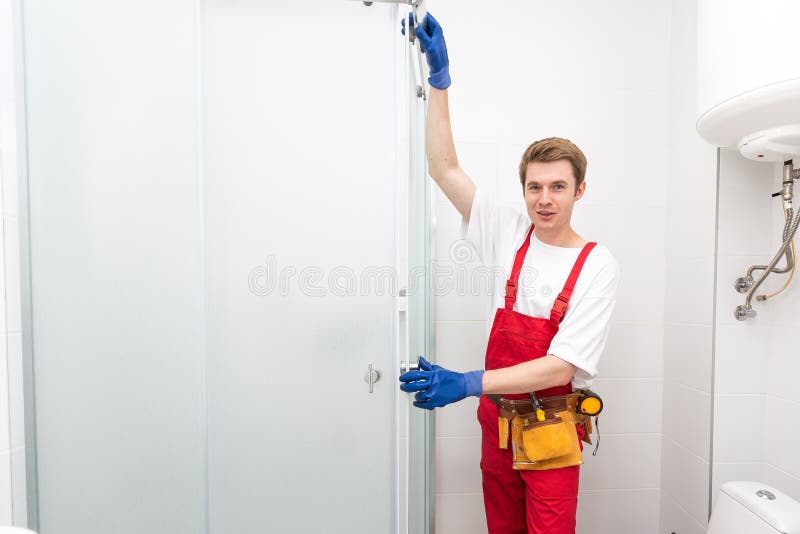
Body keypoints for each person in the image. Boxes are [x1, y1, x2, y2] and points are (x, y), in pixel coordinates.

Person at [398, 12, 620, 534]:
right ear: (524, 190)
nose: (545, 199)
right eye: (534, 187)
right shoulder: (507, 232)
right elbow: (443, 168)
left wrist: (468, 382)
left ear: (579, 190)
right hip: (496, 423)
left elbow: (560, 367)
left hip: (552, 426)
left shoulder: (597, 264)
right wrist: (439, 81)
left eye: (558, 187)